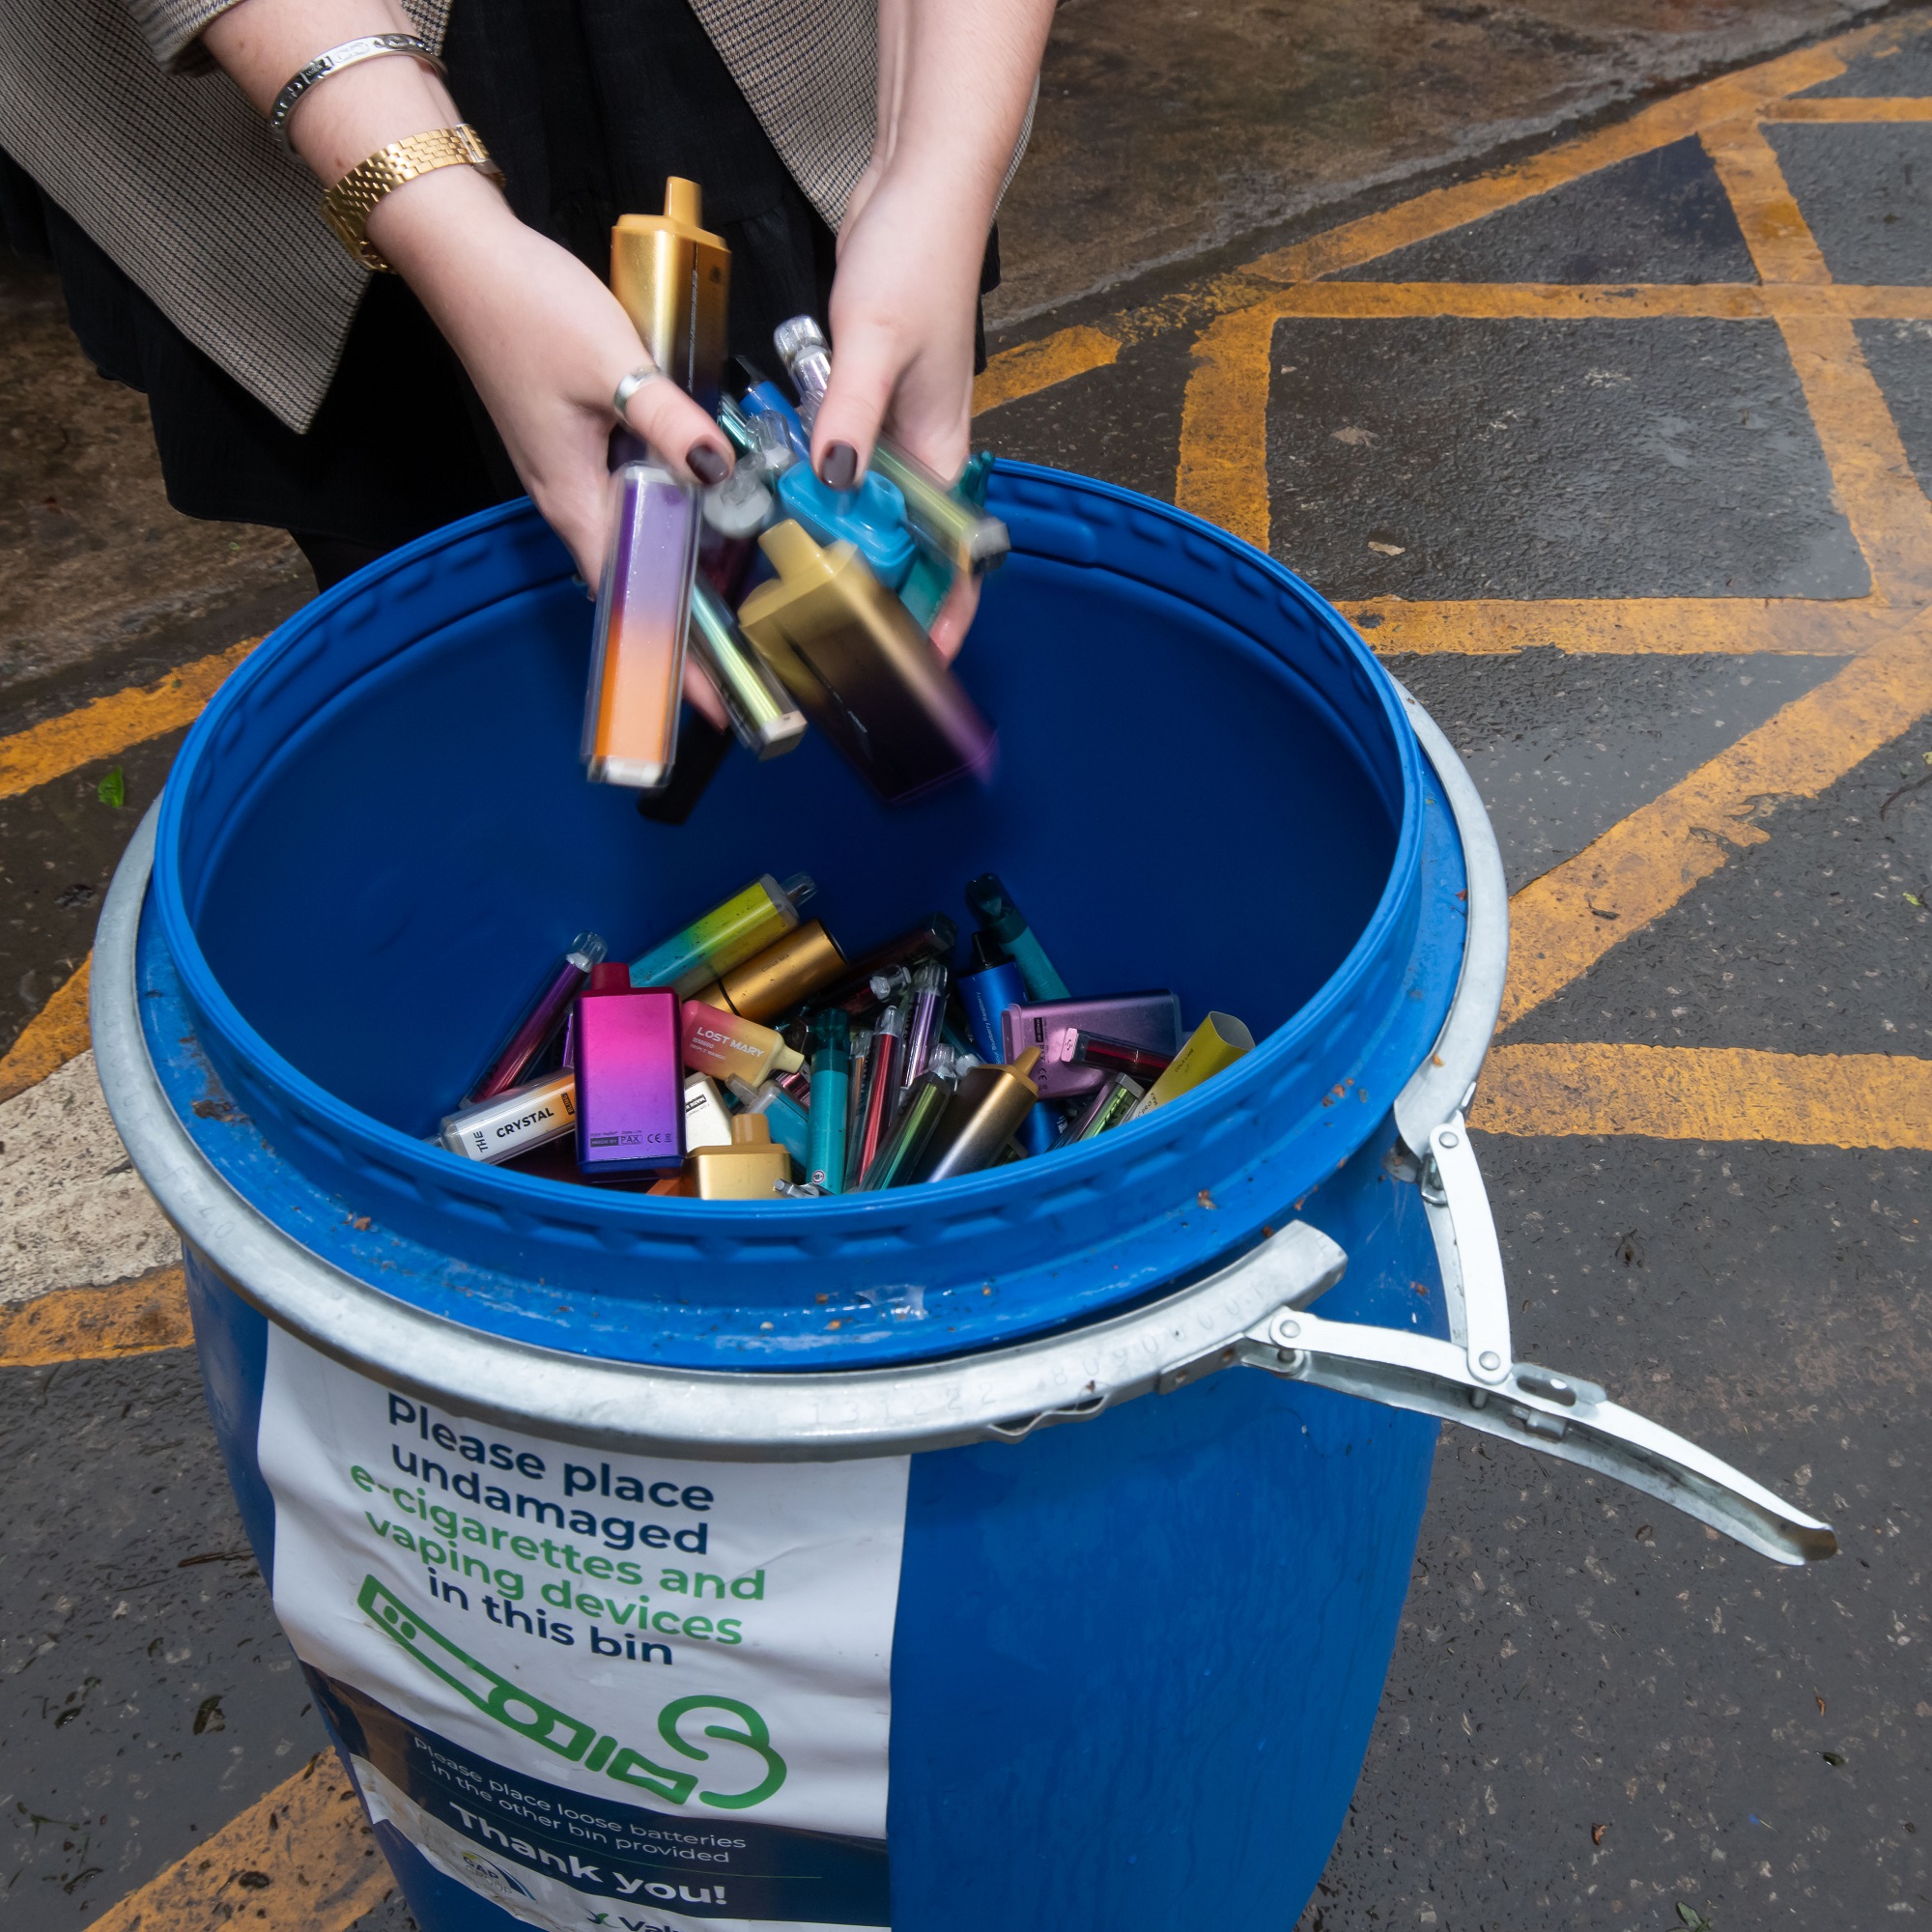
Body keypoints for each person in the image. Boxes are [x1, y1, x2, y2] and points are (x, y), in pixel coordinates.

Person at [0, 0, 1050, 666]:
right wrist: (445, 231)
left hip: (765, 40)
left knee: (828, 522)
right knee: (435, 581)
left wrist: (938, 165)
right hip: (287, 58)